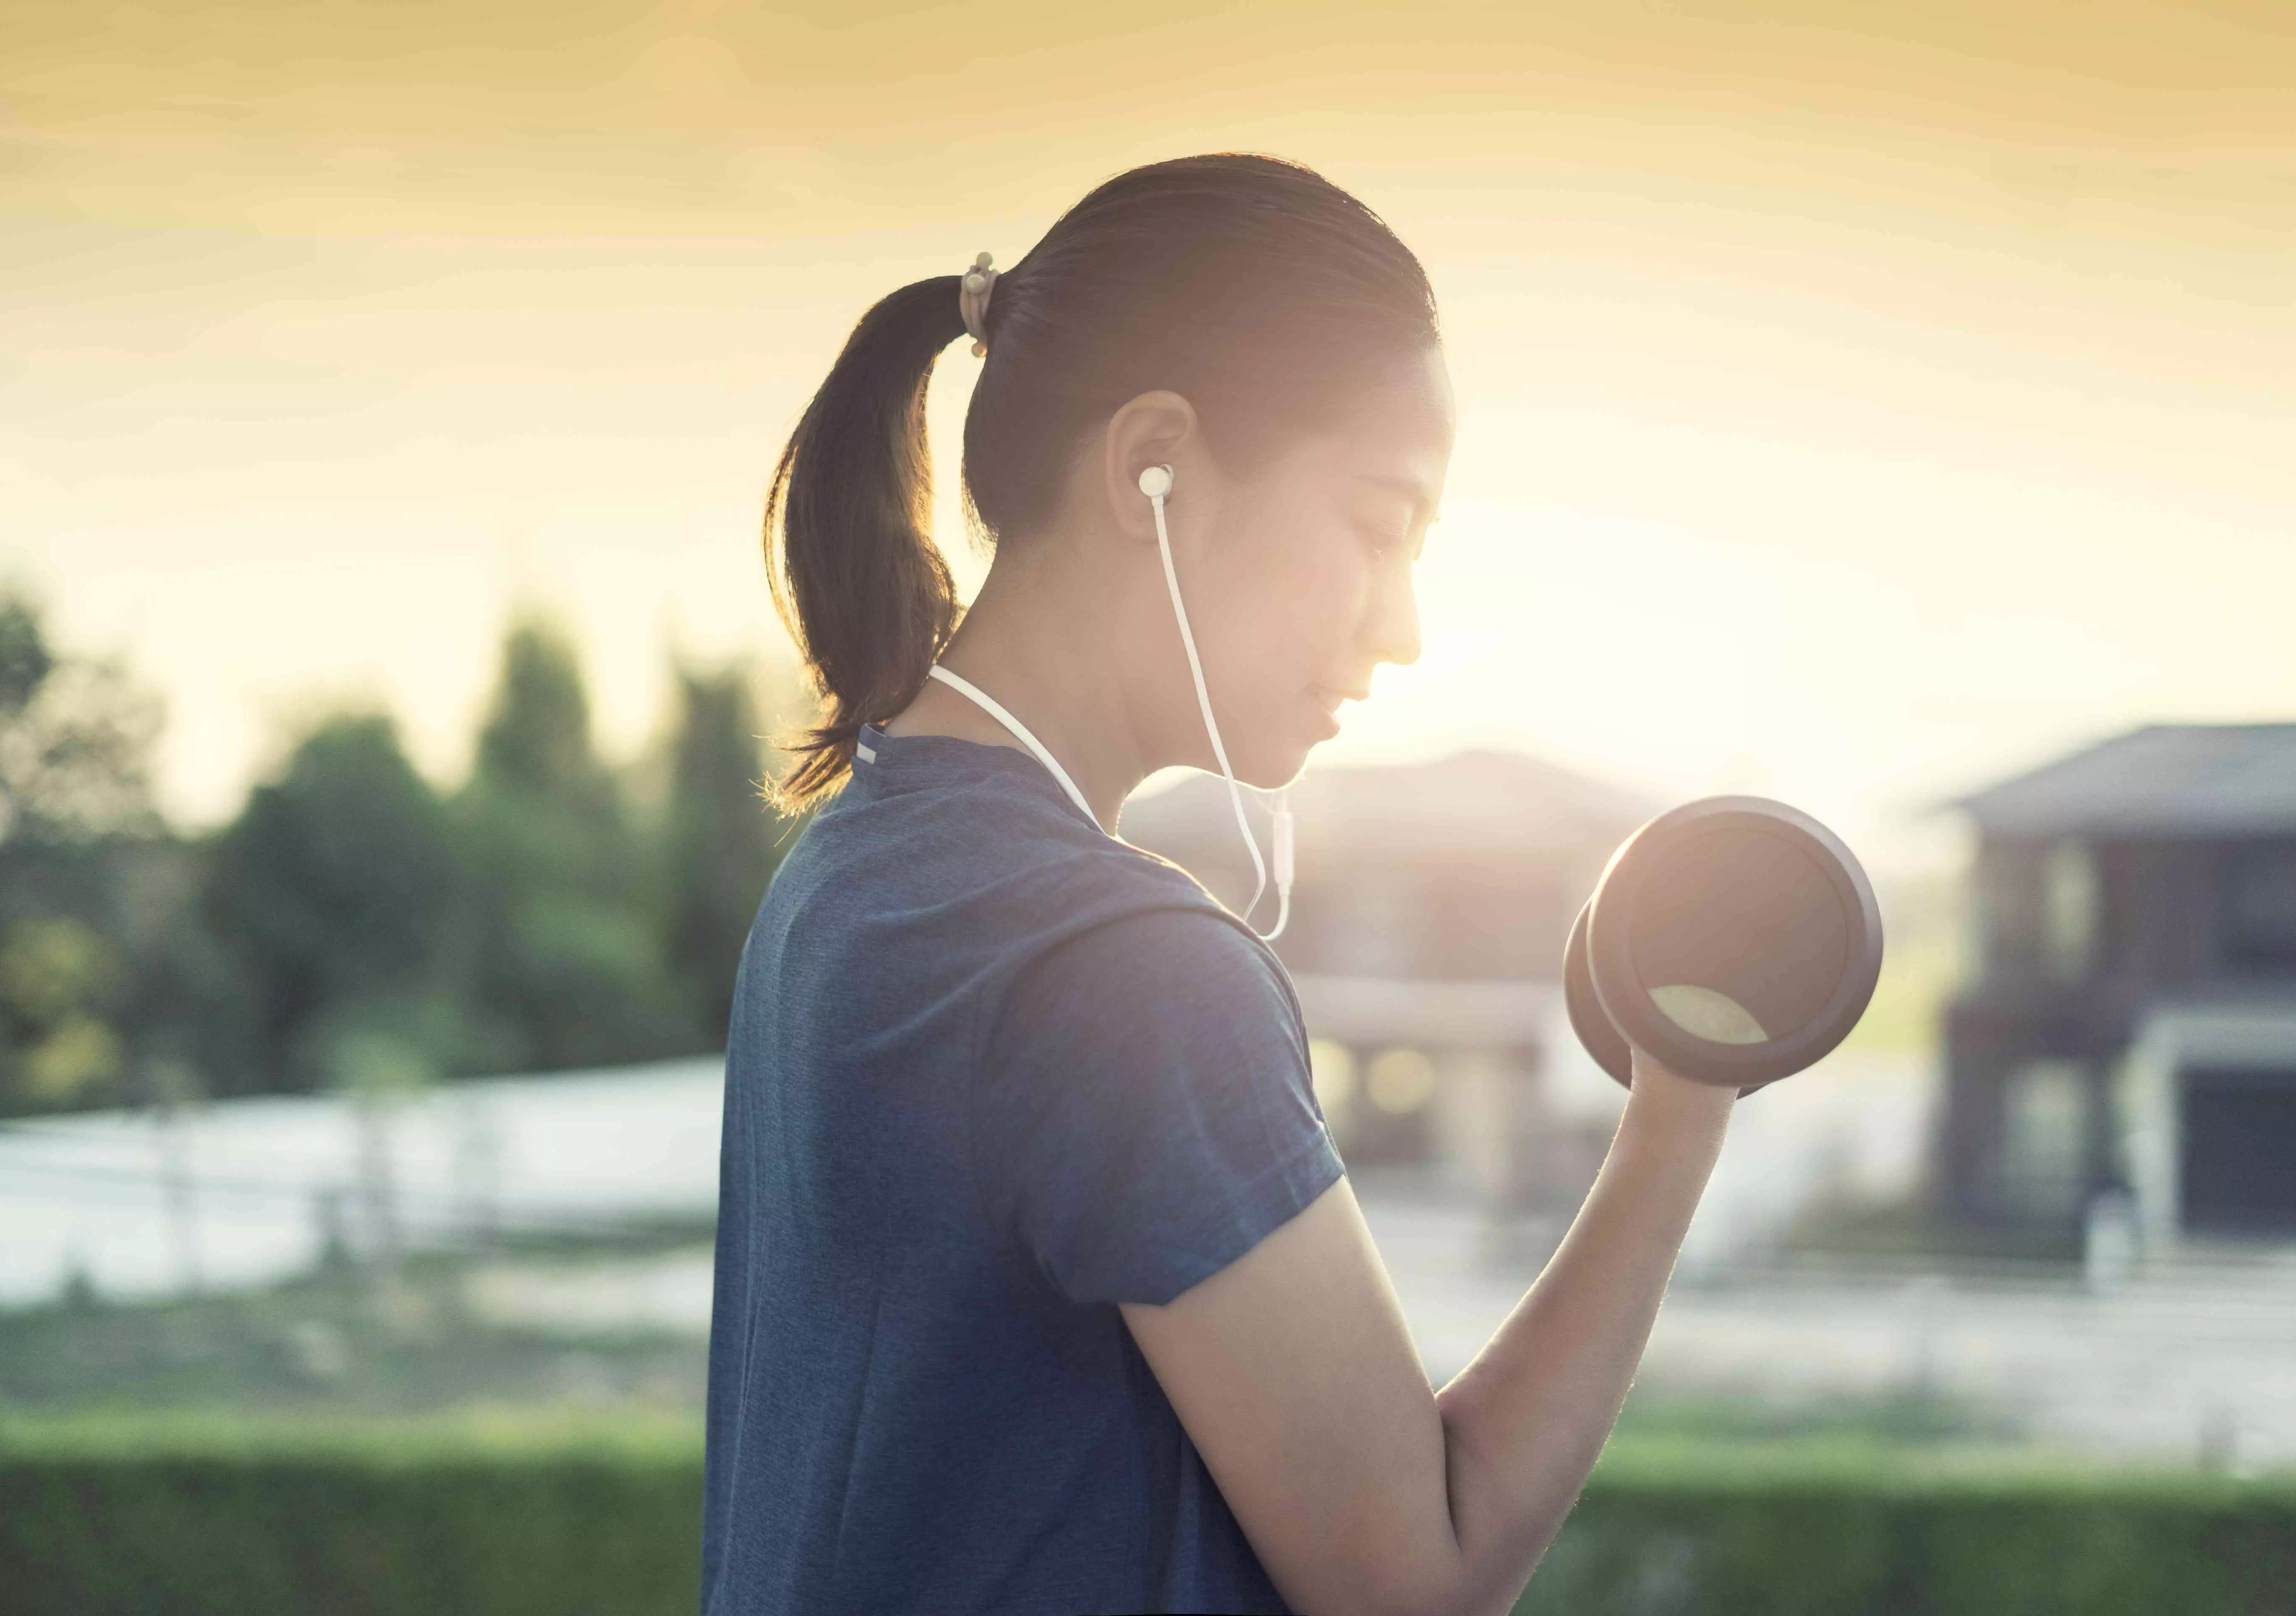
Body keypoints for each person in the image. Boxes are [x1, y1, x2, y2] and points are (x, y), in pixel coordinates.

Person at [701, 153, 1737, 1616]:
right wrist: (1686, 1100)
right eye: (1378, 527)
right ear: (1151, 467)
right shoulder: (1121, 967)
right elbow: (1413, 1581)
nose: (1405, 629)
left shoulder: (845, 874)